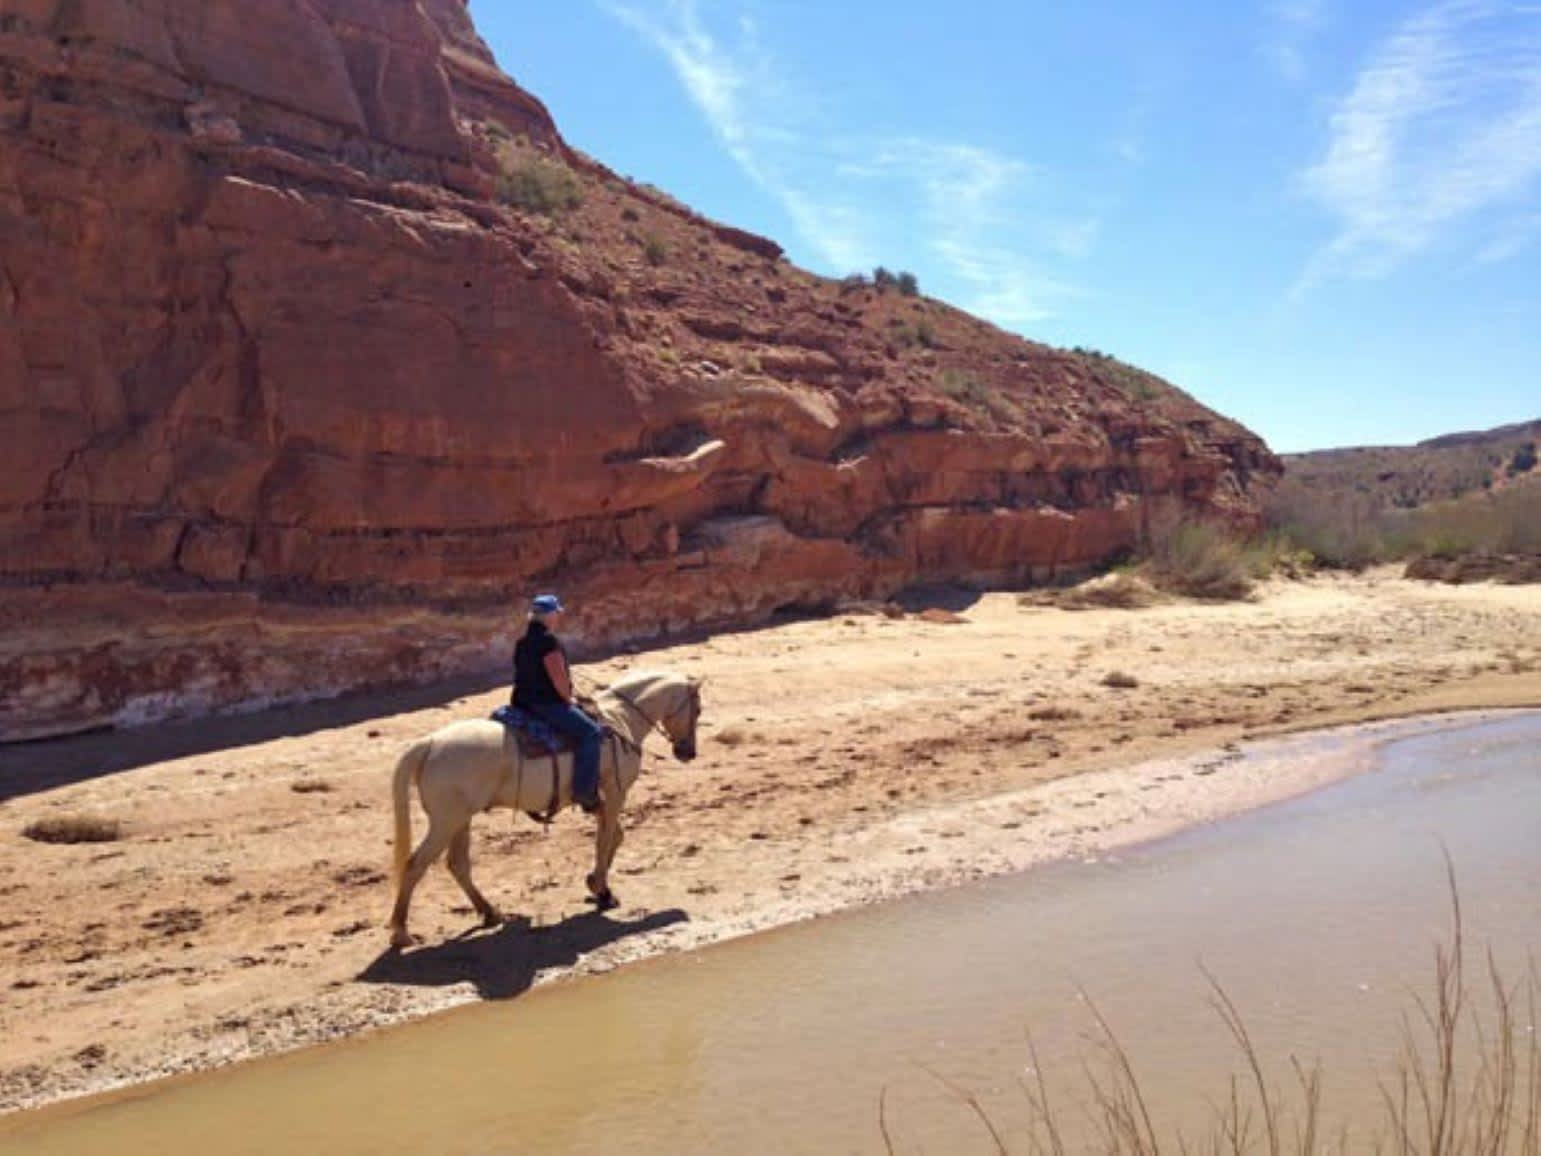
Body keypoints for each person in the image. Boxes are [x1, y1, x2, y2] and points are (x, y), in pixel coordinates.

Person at [512, 594, 603, 812]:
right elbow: (558, 678)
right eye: (556, 613)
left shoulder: (522, 643)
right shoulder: (549, 642)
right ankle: (584, 791)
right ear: (549, 616)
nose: (558, 618)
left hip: (522, 702)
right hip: (546, 705)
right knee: (592, 733)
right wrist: (567, 698)